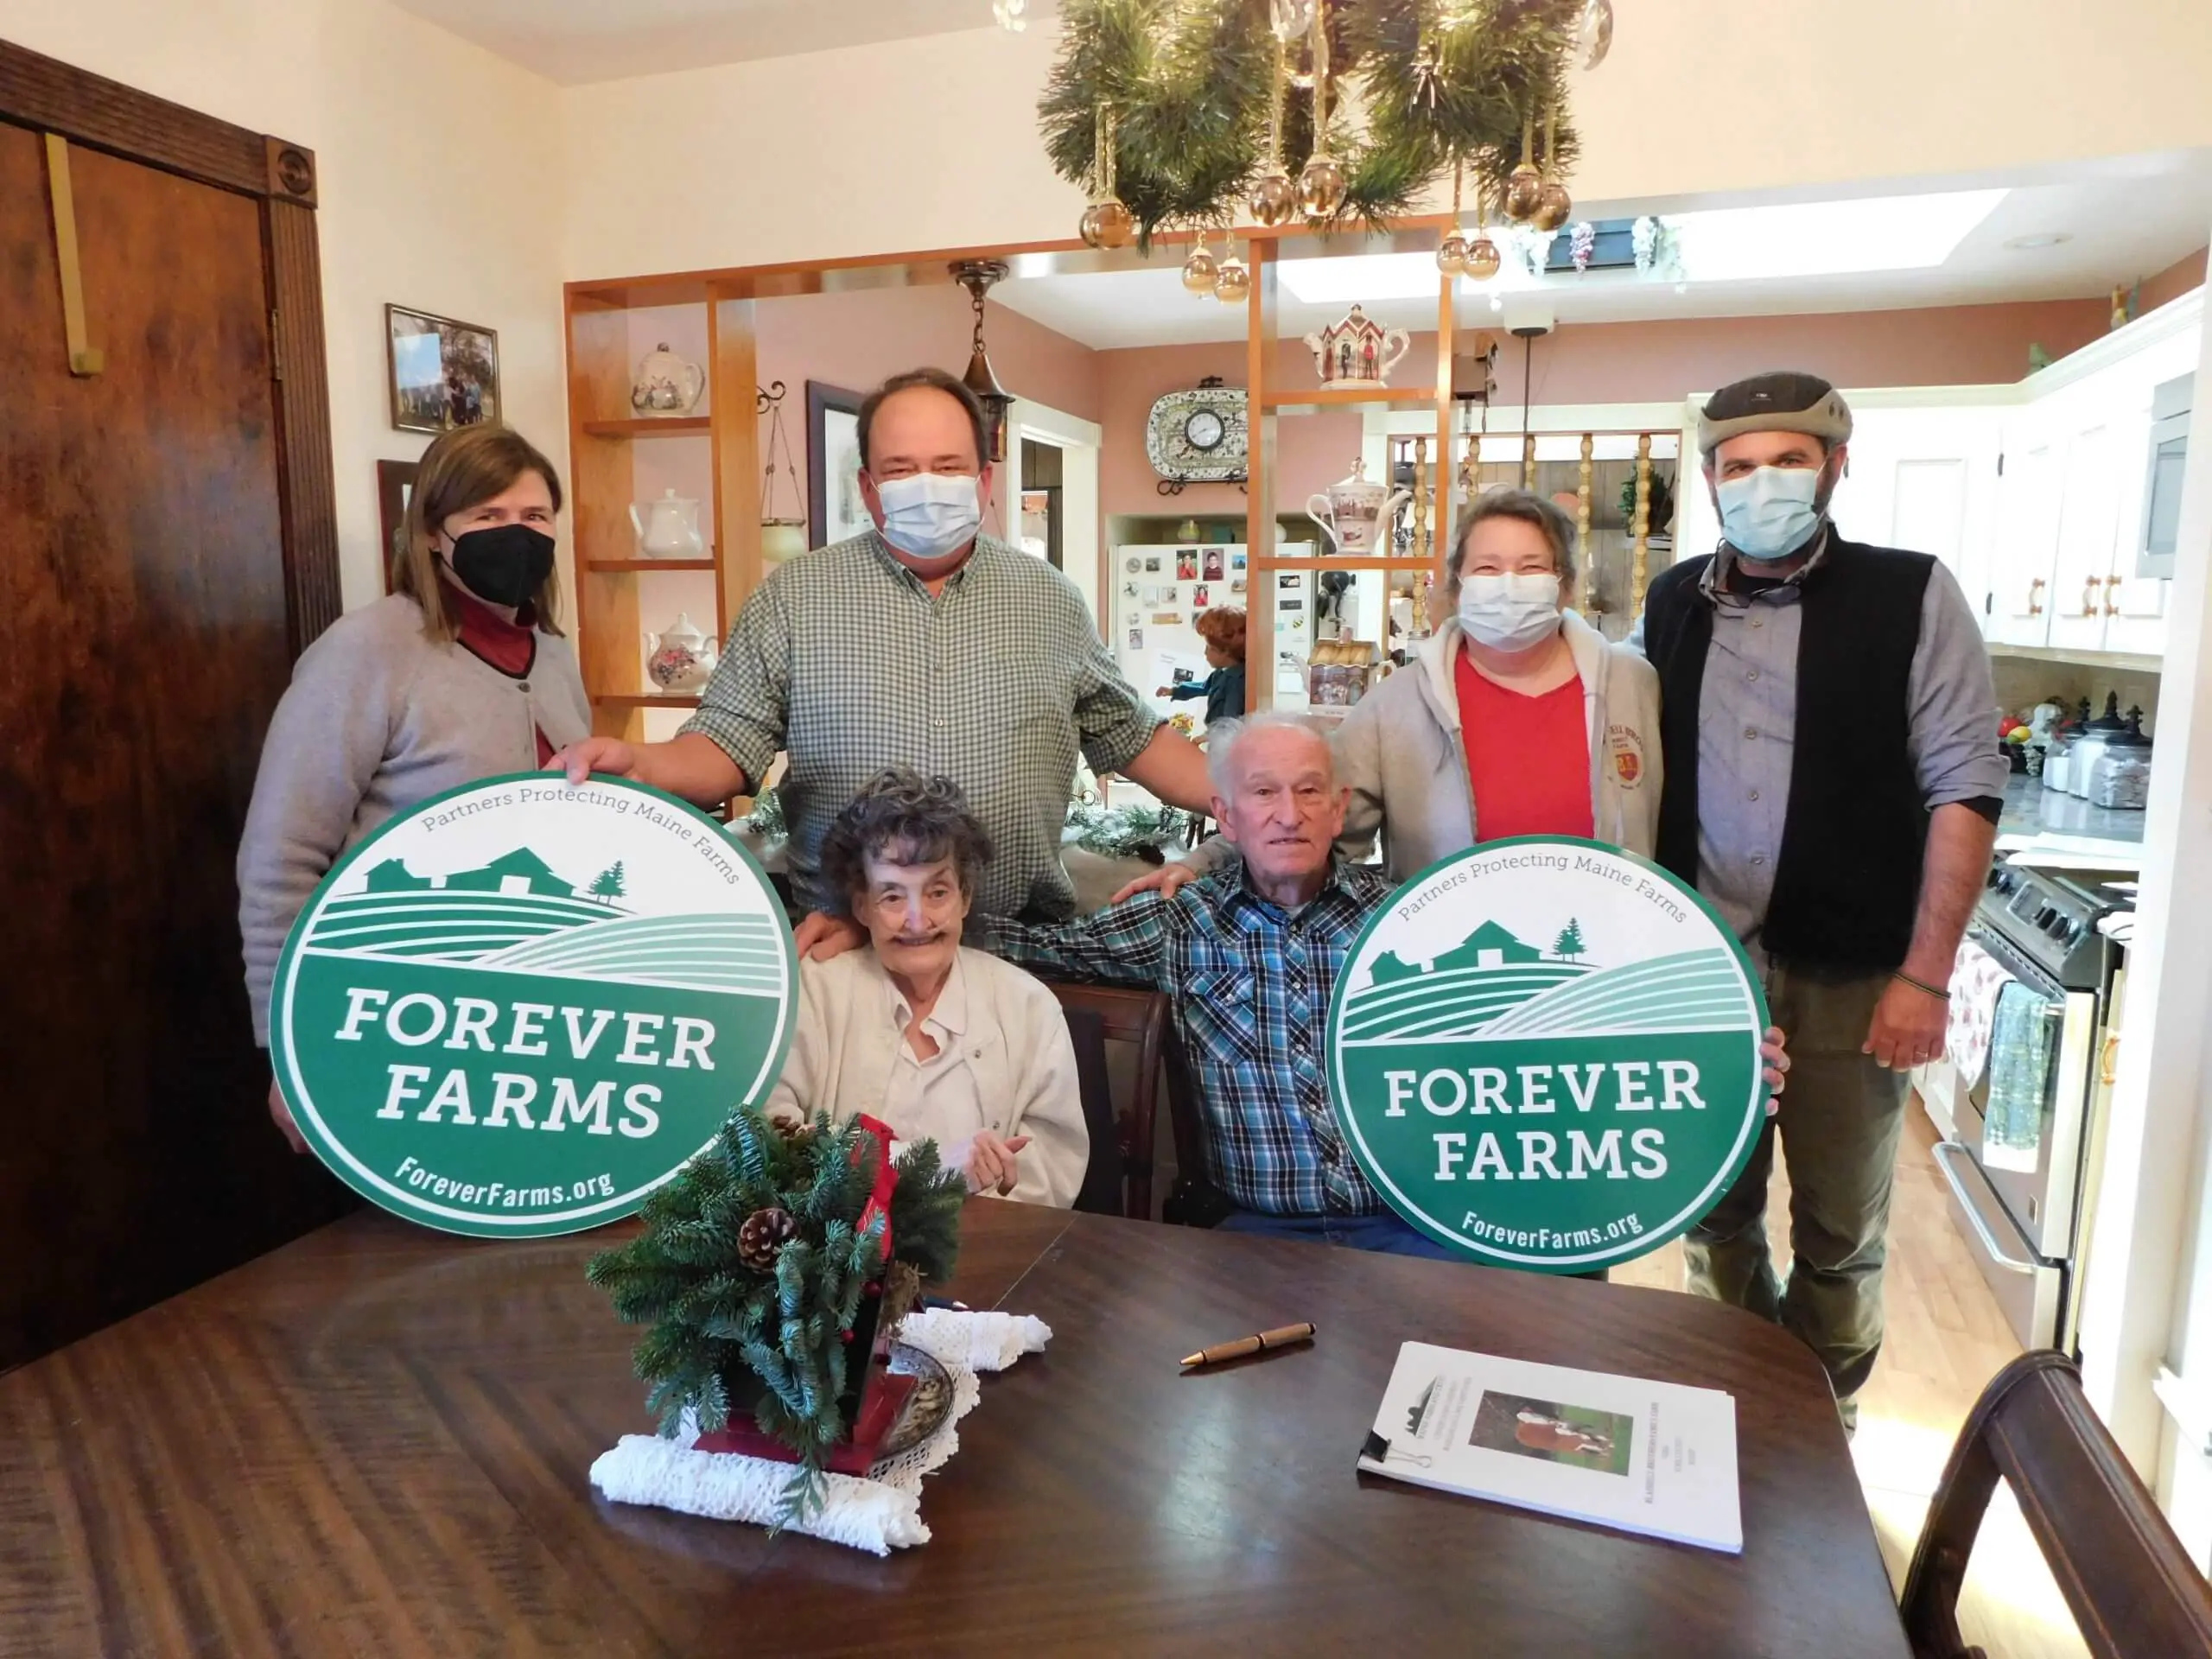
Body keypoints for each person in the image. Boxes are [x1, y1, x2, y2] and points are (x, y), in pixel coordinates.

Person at [965, 714, 1789, 1259]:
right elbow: (1029, 944)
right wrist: (878, 922)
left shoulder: (1414, 921)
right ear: (1227, 813)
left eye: (1308, 791)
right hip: (1251, 1236)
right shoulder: (1181, 924)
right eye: (1263, 793)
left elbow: (1577, 1024)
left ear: (1339, 807)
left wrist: (1725, 1055)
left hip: (1416, 1226)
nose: (1287, 813)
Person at [1634, 370, 2005, 1425]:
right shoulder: (1671, 603)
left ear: (1836, 467)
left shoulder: (1909, 595)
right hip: (1705, 966)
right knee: (1712, 1214)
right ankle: (1742, 1406)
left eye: (1788, 461)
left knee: (1841, 1235)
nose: (1763, 483)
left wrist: (1924, 976)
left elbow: (1964, 784)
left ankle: (1823, 1424)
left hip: (1853, 970)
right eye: (1739, 466)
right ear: (1709, 482)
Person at [553, 367, 1215, 928]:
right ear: (869, 489)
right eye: (901, 470)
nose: (927, 485)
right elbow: (727, 744)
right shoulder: (795, 597)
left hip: (1018, 943)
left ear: (984, 483)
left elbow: (1131, 736)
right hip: (846, 945)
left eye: (949, 467)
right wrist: (639, 764)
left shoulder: (1051, 599)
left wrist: (1252, 796)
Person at [238, 425, 588, 1151]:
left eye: (534, 517)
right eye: (487, 517)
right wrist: (290, 1044)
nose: (514, 535)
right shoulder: (367, 652)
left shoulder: (553, 658)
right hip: (398, 1018)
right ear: (433, 533)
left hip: (533, 1020)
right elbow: (281, 860)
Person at [1132, 488, 1659, 899]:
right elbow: (1314, 818)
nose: (1508, 584)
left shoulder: (1634, 684)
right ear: (1455, 587)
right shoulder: (1396, 705)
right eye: (1487, 568)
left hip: (1608, 968)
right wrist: (1200, 863)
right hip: (1452, 968)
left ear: (1564, 585)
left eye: (1532, 567)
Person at [767, 769, 1087, 1207]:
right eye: (892, 897)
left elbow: (1051, 1171)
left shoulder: (1030, 1008)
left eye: (937, 893)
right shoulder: (814, 993)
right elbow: (769, 1136)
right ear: (861, 905)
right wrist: (932, 1171)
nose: (918, 921)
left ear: (966, 897)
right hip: (833, 1257)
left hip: (989, 1255)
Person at [1158, 606, 1247, 728]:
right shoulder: (1220, 673)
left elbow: (1231, 720)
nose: (1205, 653)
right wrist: (1174, 691)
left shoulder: (1237, 681)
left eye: (1210, 649)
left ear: (1226, 652)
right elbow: (1203, 687)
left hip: (1223, 739)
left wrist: (1213, 735)